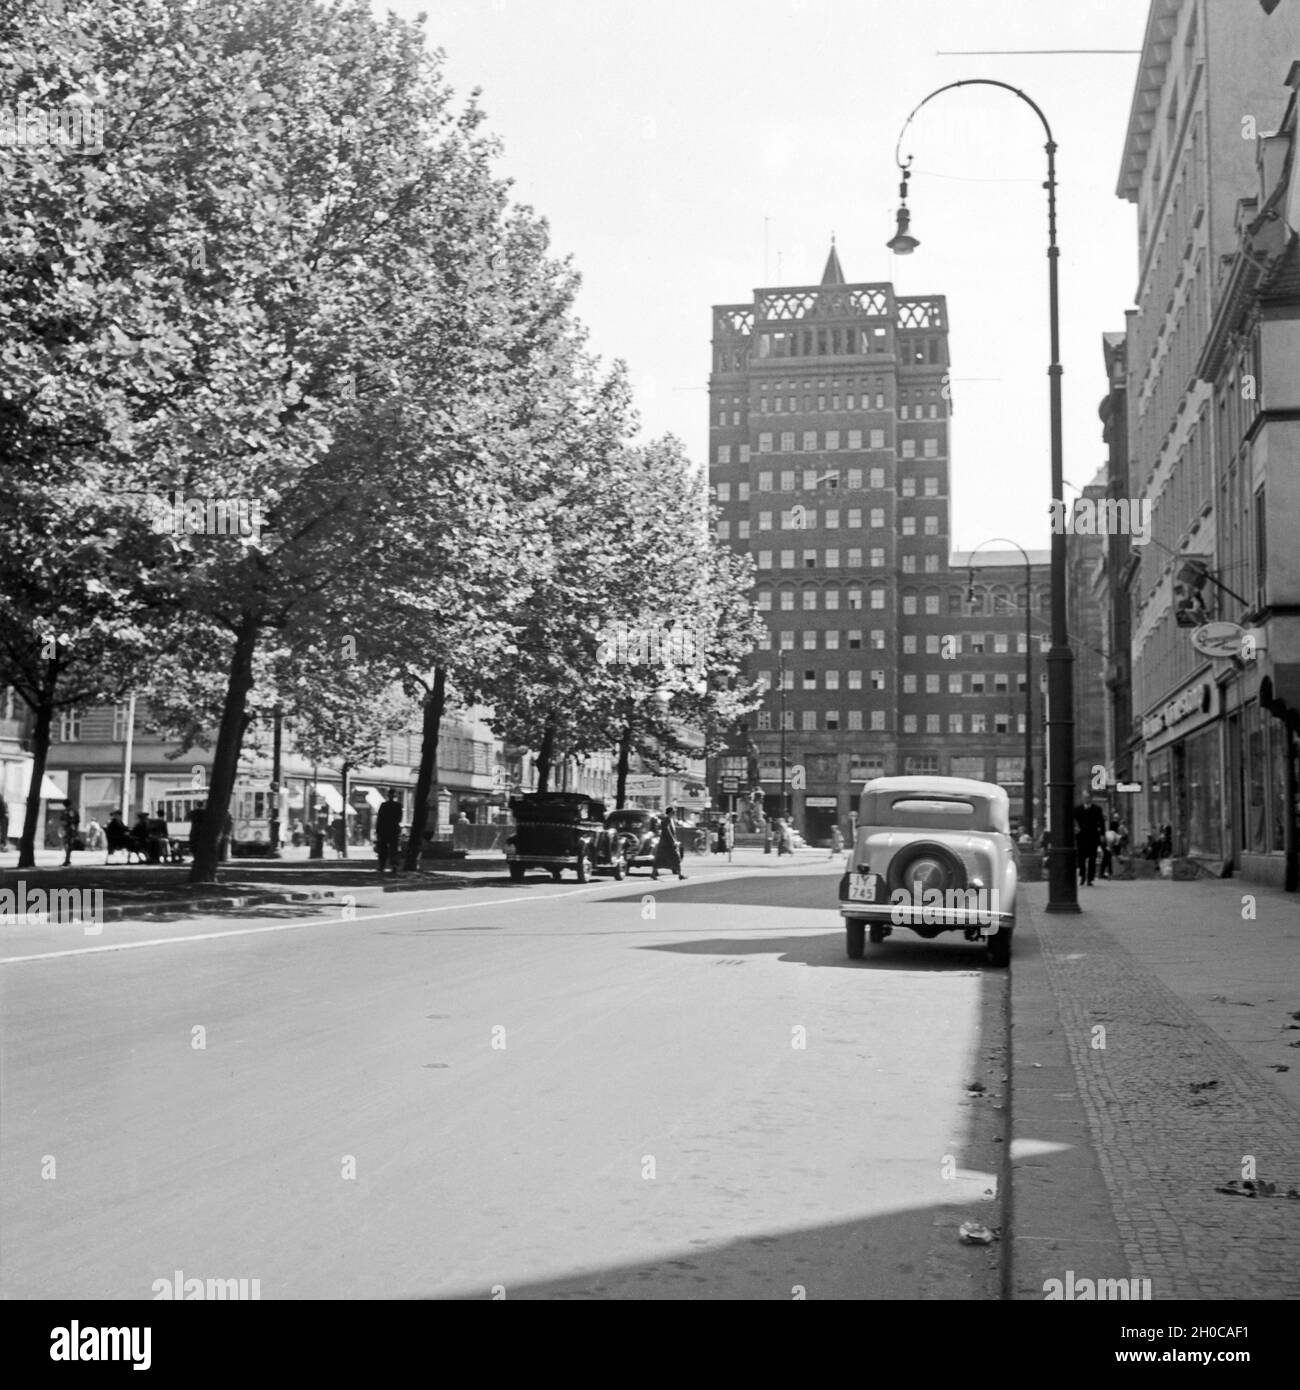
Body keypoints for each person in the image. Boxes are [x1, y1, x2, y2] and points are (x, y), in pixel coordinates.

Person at [1073, 790, 1106, 886]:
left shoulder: (1097, 809)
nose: (1086, 799)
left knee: (1092, 858)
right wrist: (1076, 830)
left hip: (1093, 836)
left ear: (1091, 798)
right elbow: (1073, 822)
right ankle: (1083, 876)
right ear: (1082, 798)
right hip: (1082, 837)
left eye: (1087, 797)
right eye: (1084, 797)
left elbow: (1101, 822)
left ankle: (1090, 878)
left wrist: (1102, 834)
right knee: (1081, 858)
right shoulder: (1077, 810)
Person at [651, 806, 686, 881]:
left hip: (669, 844)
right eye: (673, 812)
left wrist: (675, 840)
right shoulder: (665, 821)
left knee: (676, 858)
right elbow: (668, 832)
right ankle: (653, 874)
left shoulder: (671, 820)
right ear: (669, 813)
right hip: (666, 844)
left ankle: (679, 874)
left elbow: (672, 833)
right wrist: (673, 841)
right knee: (661, 859)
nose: (674, 813)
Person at [375, 789, 402, 876]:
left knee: (383, 849)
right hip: (393, 830)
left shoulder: (384, 805)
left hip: (384, 830)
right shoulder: (398, 805)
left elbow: (379, 818)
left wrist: (378, 830)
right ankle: (394, 865)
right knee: (393, 849)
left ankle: (382, 866)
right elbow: (399, 818)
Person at [61, 801, 80, 866]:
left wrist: (67, 823)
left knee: (68, 845)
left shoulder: (69, 811)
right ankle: (67, 859)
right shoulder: (70, 810)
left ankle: (67, 860)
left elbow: (73, 820)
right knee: (67, 845)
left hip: (69, 830)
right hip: (69, 830)